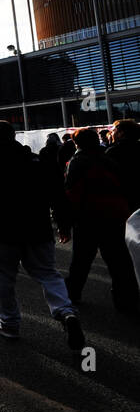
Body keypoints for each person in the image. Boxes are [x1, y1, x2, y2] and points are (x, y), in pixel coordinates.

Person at [0, 120, 85, 350]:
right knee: (48, 273)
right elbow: (57, 195)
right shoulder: (36, 161)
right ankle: (66, 312)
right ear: (14, 135)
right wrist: (63, 225)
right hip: (38, 228)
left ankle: (9, 323)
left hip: (2, 231)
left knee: (2, 277)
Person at [63, 126, 140, 313]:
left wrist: (65, 223)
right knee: (118, 261)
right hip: (114, 217)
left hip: (87, 218)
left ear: (76, 143)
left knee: (81, 260)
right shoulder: (108, 159)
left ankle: (71, 295)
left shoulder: (77, 161)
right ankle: (126, 300)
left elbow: (71, 195)